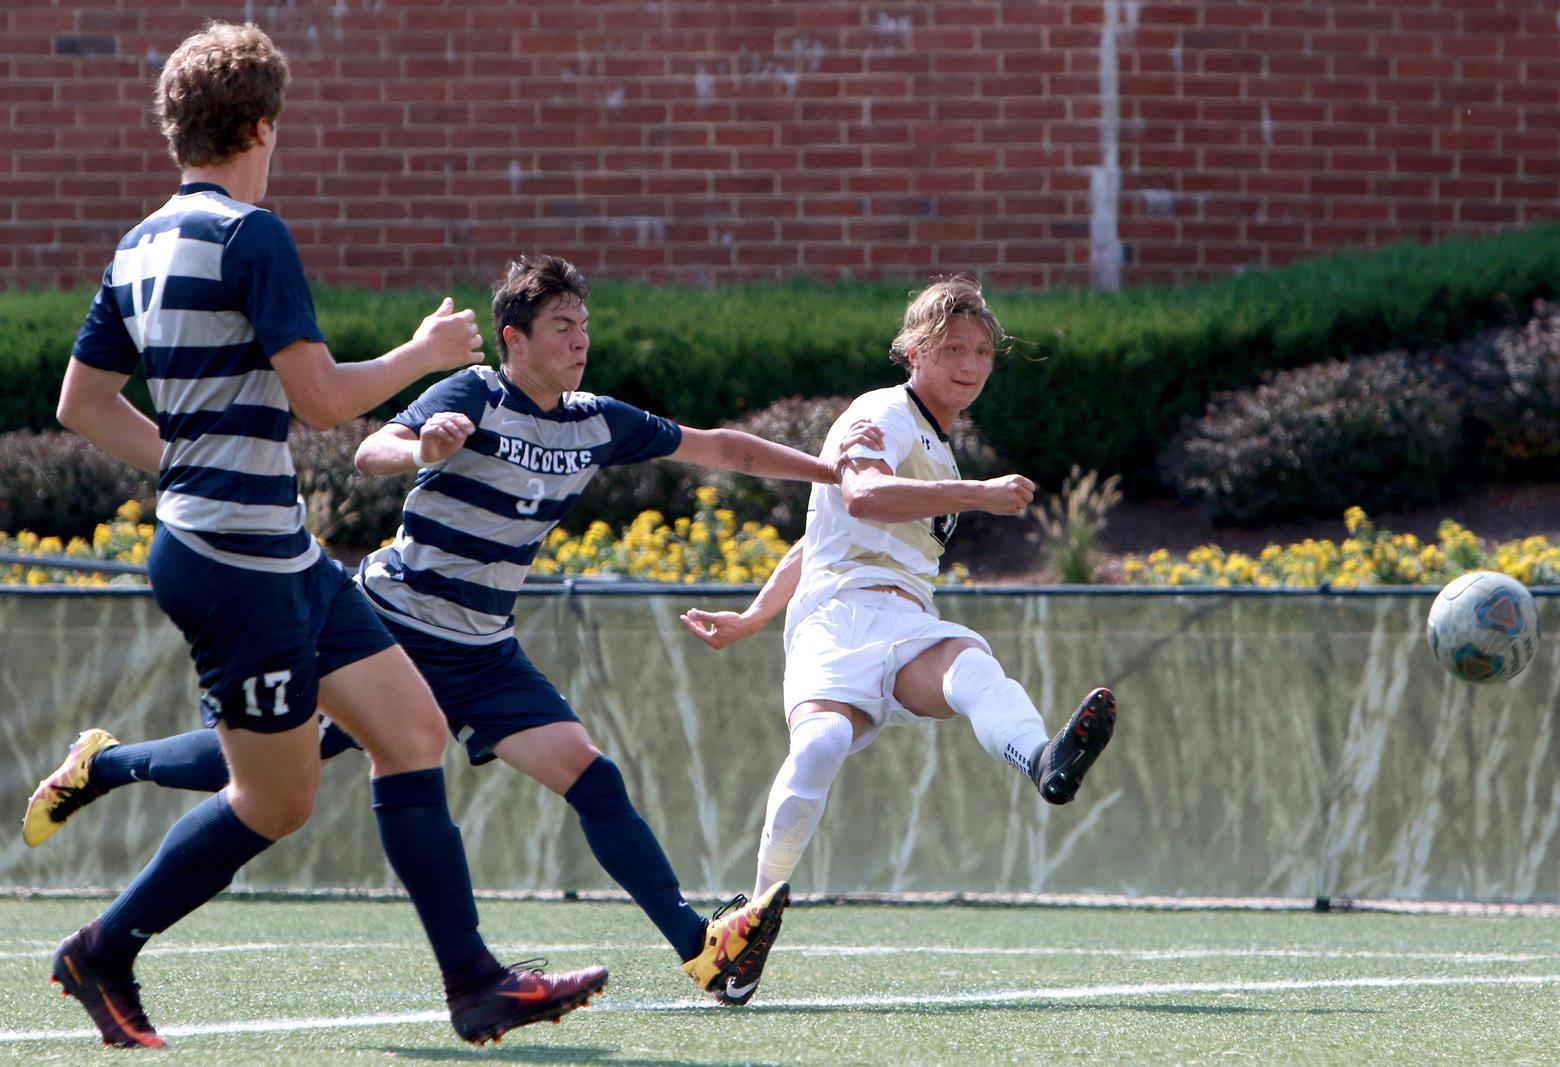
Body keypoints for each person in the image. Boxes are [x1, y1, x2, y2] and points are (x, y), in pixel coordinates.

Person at [25, 252, 883, 1008]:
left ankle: (699, 948)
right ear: (513, 338)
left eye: (584, 324)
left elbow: (723, 447)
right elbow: (371, 453)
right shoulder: (472, 391)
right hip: (387, 629)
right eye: (560, 325)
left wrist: (829, 474)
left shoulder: (594, 419)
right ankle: (105, 762)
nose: (580, 340)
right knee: (247, 769)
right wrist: (423, 447)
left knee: (592, 775)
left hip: (483, 649)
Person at [45, 22, 606, 1049]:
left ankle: (475, 982)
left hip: (278, 552)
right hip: (234, 563)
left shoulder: (141, 242)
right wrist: (423, 350)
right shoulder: (251, 233)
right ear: (263, 121)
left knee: (412, 732)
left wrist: (187, 465)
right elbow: (316, 398)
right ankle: (102, 948)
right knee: (276, 799)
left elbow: (81, 403)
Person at [677, 274, 1119, 1001]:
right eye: (952, 347)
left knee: (969, 664)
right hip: (836, 619)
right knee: (817, 747)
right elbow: (859, 496)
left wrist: (751, 617)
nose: (970, 363)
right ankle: (750, 923)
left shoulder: (937, 446)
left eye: (982, 351)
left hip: (906, 617)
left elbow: (815, 535)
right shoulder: (882, 410)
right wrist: (976, 494)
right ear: (914, 350)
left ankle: (1042, 757)